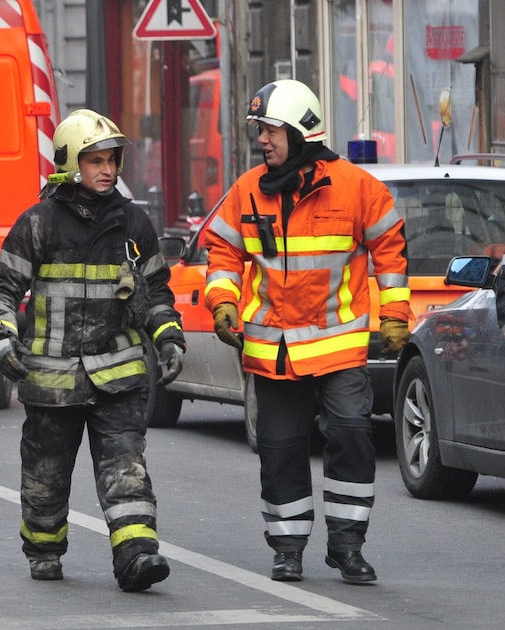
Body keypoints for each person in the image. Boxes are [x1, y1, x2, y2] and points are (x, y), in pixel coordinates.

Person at [202, 79, 410, 584]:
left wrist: (395, 315)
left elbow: (391, 251)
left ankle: (347, 547)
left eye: (271, 130)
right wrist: (223, 302)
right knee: (280, 451)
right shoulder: (248, 189)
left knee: (352, 438)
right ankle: (287, 548)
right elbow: (223, 254)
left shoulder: (356, 187)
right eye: (260, 131)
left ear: (301, 132)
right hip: (273, 349)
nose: (263, 141)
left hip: (337, 348)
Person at [0, 109, 185, 592]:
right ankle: (45, 548)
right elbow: (1, 290)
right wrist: (4, 337)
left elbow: (156, 294)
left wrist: (168, 338)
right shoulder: (38, 223)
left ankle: (137, 554)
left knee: (126, 468)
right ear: (70, 163)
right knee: (46, 475)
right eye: (95, 160)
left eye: (112, 160)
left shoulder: (134, 224)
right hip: (52, 382)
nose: (108, 170)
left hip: (119, 377)